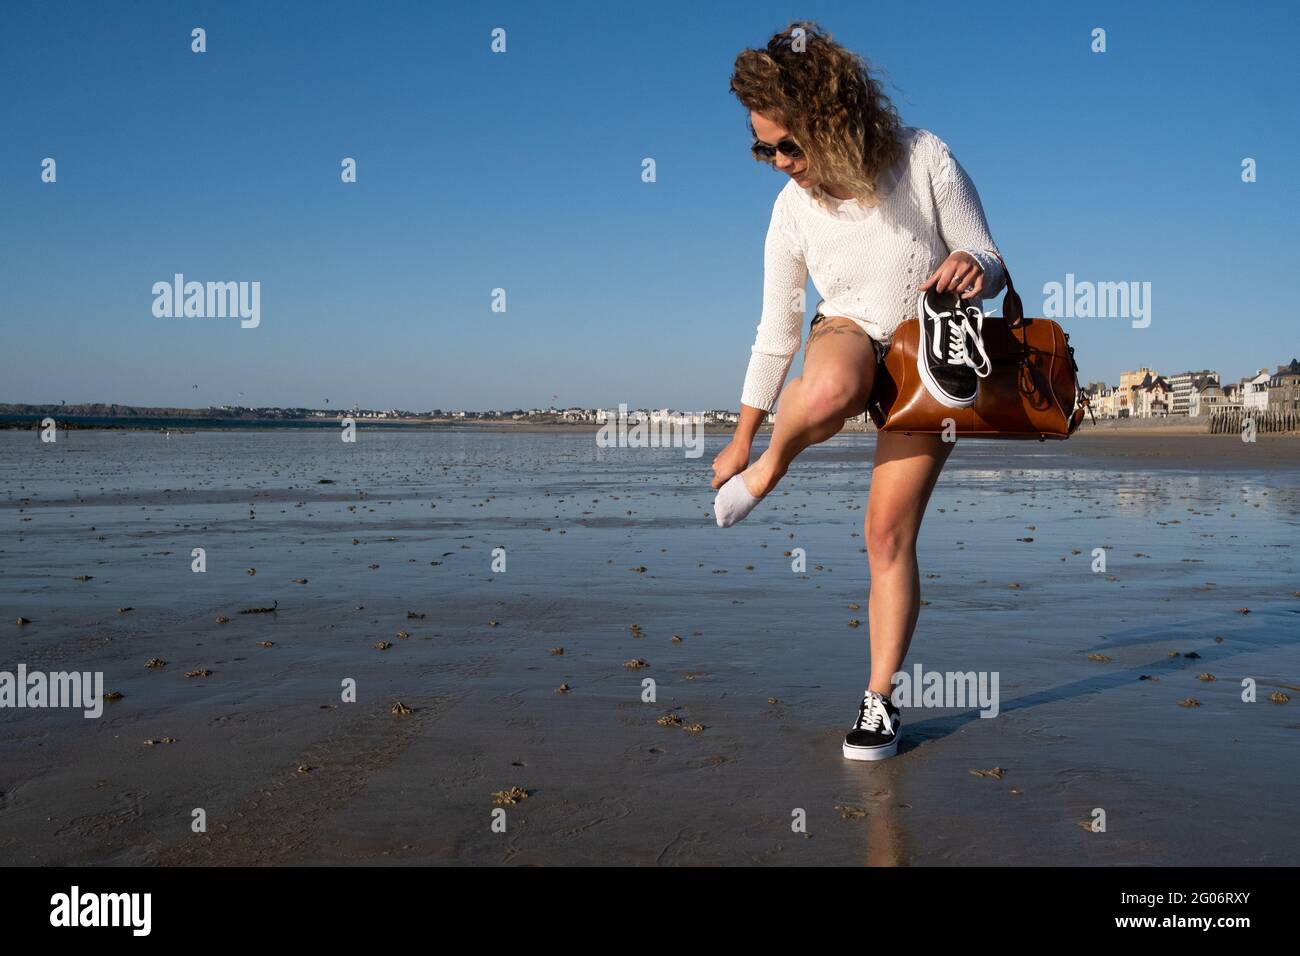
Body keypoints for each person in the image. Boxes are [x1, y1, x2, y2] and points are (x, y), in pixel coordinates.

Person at [711, 21, 1007, 761]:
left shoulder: (923, 156)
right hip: (847, 330)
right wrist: (744, 441)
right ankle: (773, 466)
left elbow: (989, 255)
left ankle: (880, 704)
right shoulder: (791, 210)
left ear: (833, 118)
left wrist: (974, 266)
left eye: (788, 145)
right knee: (834, 381)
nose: (779, 163)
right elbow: (776, 332)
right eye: (763, 149)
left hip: (926, 358)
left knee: (886, 536)